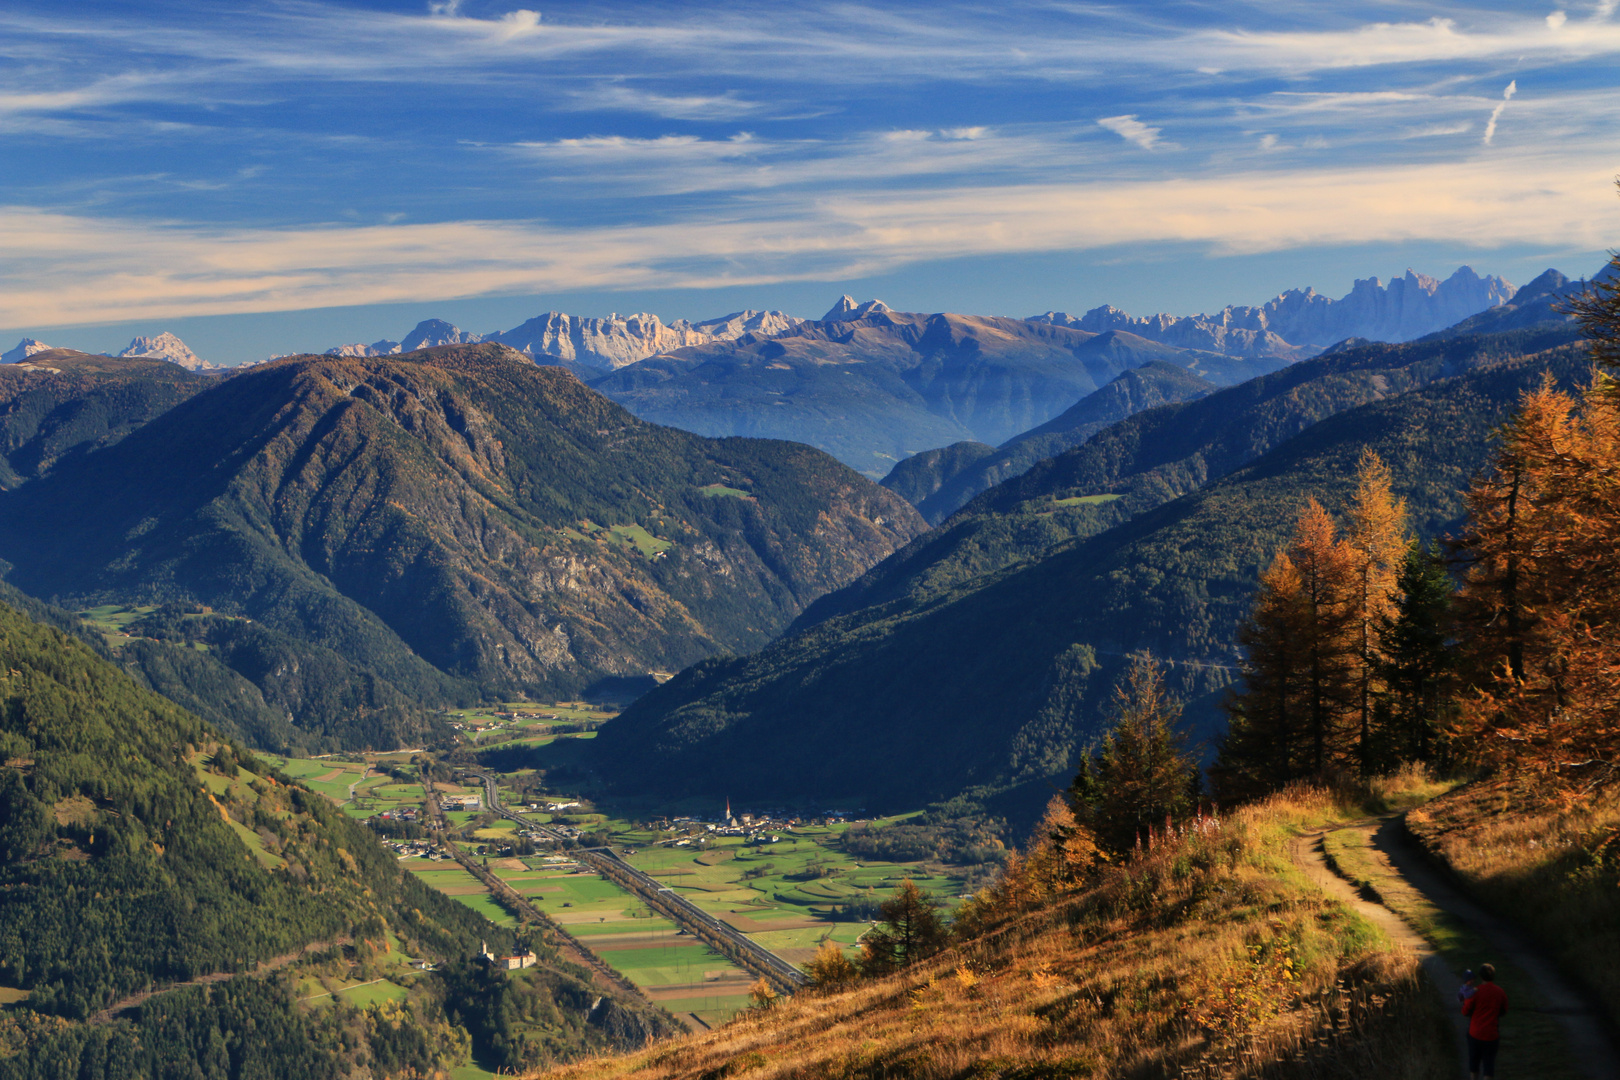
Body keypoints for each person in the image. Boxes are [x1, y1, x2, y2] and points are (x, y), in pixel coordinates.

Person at [1461, 963, 1507, 1080]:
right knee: (1489, 1065)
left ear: (1481, 977)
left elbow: (1465, 1011)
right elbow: (1504, 1010)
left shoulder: (1474, 992)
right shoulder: (1500, 992)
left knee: (1474, 1063)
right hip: (1491, 1034)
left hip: (1475, 1033)